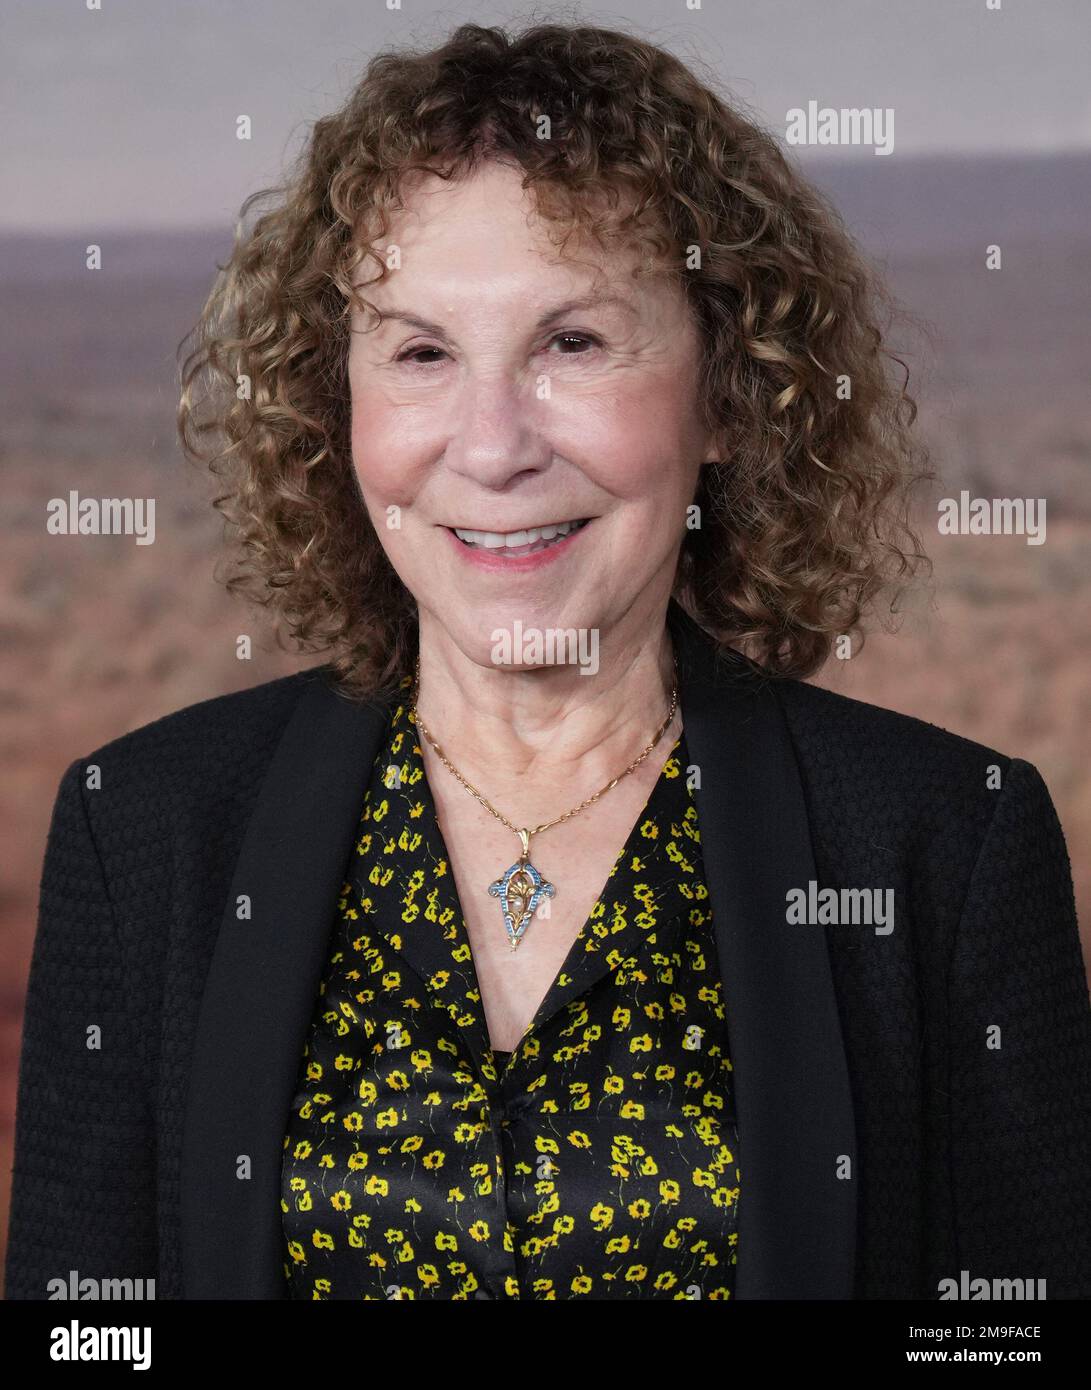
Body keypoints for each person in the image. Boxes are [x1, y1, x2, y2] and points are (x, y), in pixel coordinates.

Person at [6, 21, 1090, 1302]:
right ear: (328, 400)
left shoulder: (941, 849)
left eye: (571, 342)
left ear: (729, 395)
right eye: (419, 353)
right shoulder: (143, 835)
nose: (491, 444)